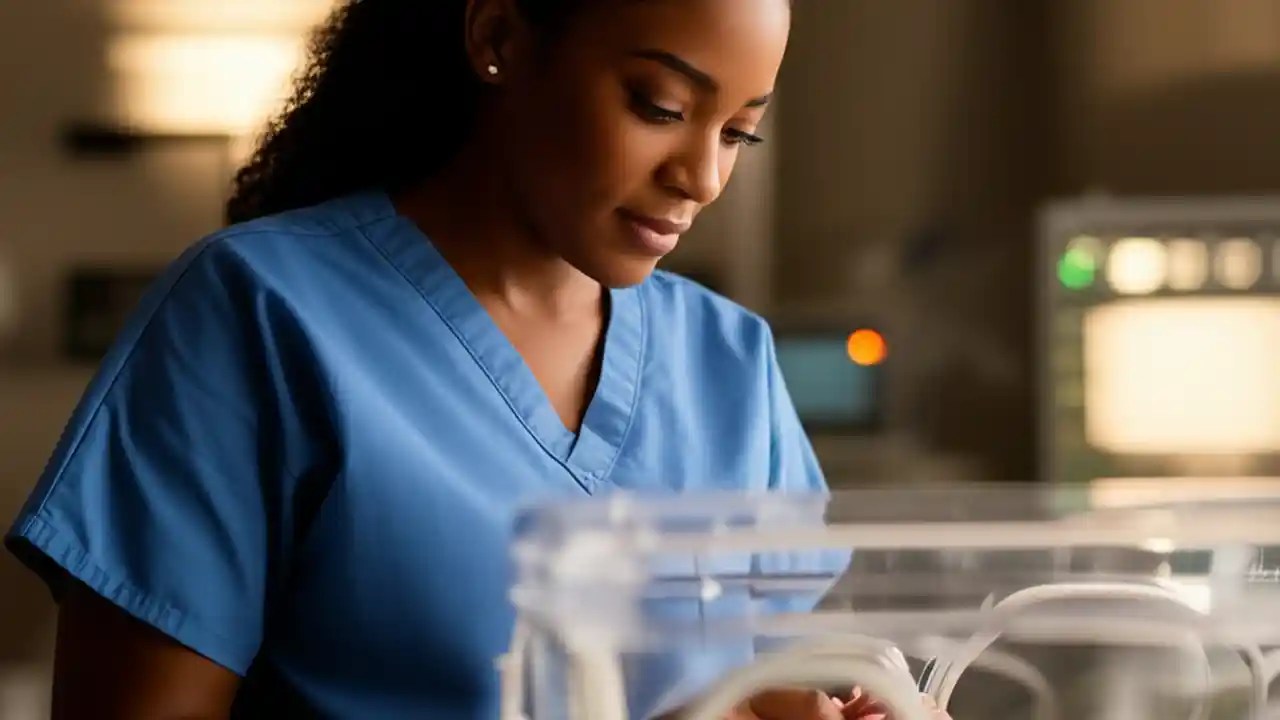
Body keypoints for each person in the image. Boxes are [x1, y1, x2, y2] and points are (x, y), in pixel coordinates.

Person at [5, 0, 949, 718]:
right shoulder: (258, 316)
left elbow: (772, 673)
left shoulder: (728, 361)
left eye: (739, 131)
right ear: (499, 35)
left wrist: (826, 701)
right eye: (660, 106)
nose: (702, 177)